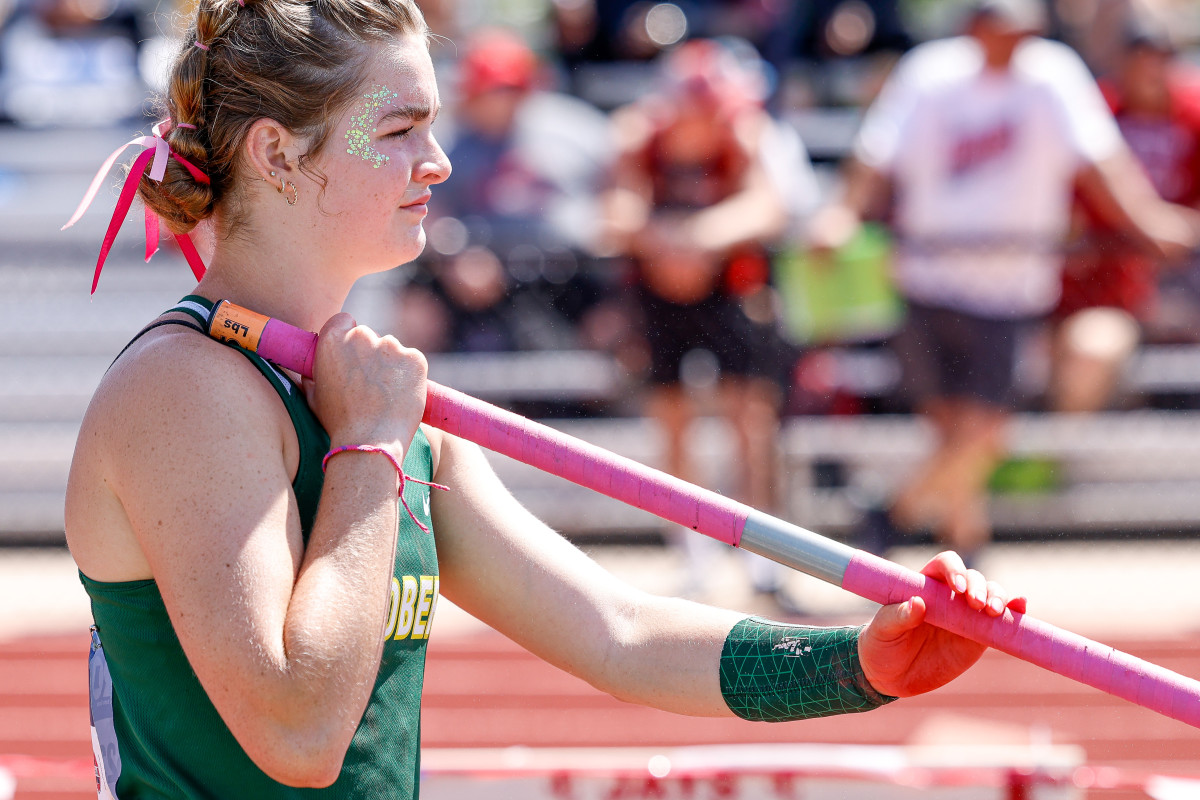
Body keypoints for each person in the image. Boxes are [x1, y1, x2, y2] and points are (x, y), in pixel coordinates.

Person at [63, 1, 1024, 796]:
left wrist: (855, 664)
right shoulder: (188, 391)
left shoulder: (377, 399)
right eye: (399, 130)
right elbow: (299, 731)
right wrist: (367, 451)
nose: (437, 163)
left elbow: (620, 634)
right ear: (276, 154)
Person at [812, 0, 1199, 564]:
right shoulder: (931, 70)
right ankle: (966, 550)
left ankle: (891, 514)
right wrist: (842, 213)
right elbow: (876, 157)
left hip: (1010, 285)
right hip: (927, 277)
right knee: (948, 429)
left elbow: (1102, 161)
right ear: (975, 26)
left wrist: (1150, 221)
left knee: (987, 431)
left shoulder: (1052, 72)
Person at [601, 38, 813, 613]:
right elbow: (616, 214)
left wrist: (695, 240)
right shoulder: (639, 137)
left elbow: (768, 207)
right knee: (672, 419)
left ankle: (762, 554)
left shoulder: (744, 136)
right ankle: (691, 550)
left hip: (730, 290)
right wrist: (668, 245)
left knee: (752, 417)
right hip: (659, 294)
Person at [1050, 17, 1200, 413]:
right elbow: (1072, 203)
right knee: (1087, 351)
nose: (1149, 68)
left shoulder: (1192, 113)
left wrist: (1178, 229)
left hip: (1182, 268)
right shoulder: (1097, 111)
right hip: (1109, 281)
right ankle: (1062, 457)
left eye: (1161, 57)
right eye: (1139, 58)